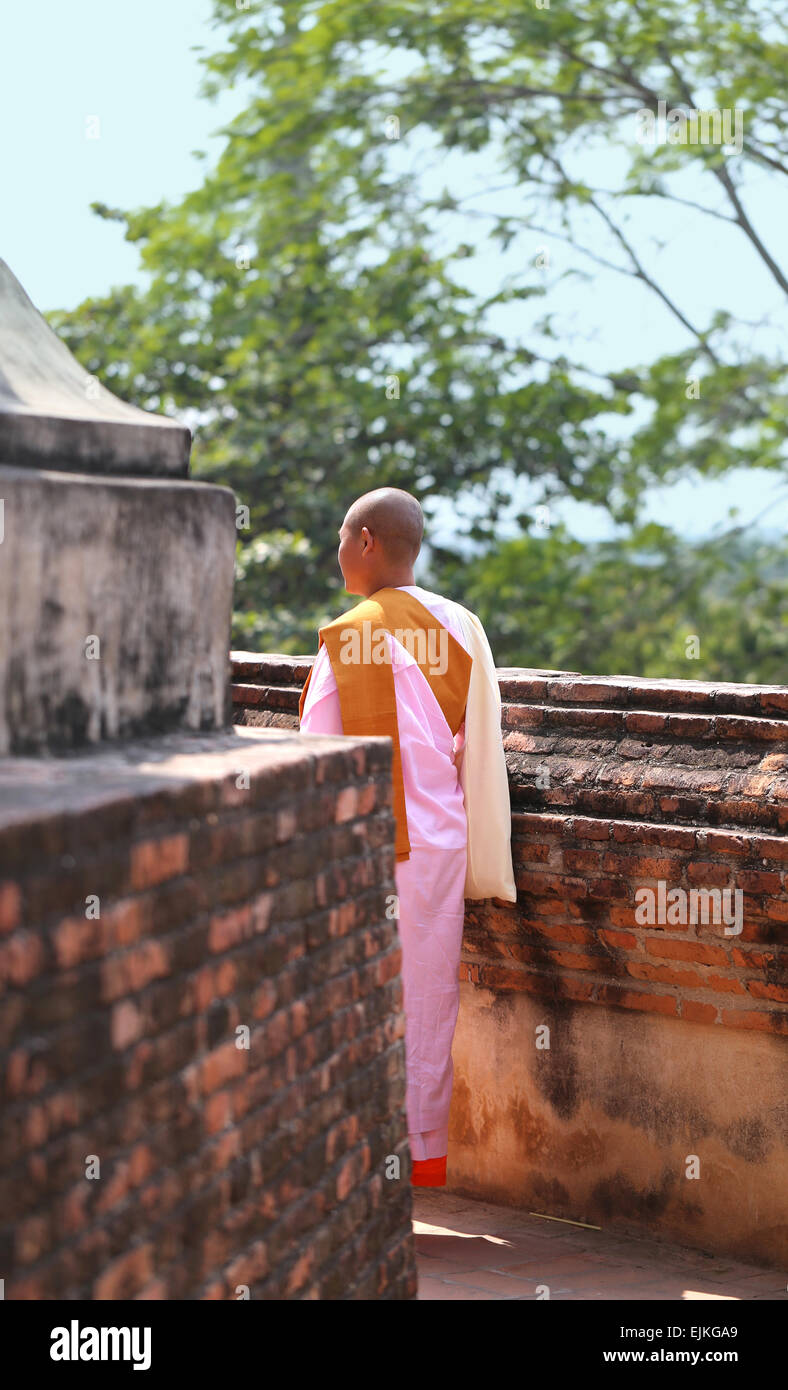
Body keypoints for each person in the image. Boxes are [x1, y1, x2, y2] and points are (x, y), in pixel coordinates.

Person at [299, 487, 516, 1186]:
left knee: (355, 999)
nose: (338, 555)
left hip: (367, 853)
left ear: (365, 541)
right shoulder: (463, 627)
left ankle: (360, 1158)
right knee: (425, 999)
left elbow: (315, 763)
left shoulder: (350, 635)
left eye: (340, 539)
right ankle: (415, 1151)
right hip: (441, 847)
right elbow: (479, 749)